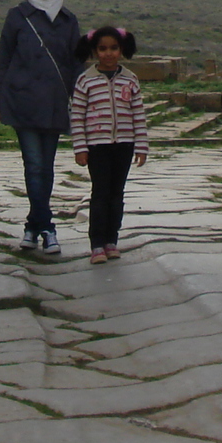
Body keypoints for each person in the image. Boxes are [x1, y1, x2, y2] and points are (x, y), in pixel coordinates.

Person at [0, 0, 82, 254]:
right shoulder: (17, 16)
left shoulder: (69, 21)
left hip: (55, 104)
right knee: (34, 166)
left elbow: (76, 65)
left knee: (46, 168)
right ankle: (48, 227)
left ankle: (34, 226)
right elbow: (4, 61)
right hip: (23, 102)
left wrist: (82, 104)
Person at [71, 25, 148, 264]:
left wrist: (141, 146)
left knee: (117, 194)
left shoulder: (130, 79)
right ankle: (96, 244)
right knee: (100, 193)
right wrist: (80, 147)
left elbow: (138, 113)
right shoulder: (86, 81)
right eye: (103, 49)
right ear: (94, 51)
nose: (108, 53)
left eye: (114, 48)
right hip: (97, 145)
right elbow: (77, 115)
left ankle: (111, 241)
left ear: (122, 50)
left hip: (124, 144)